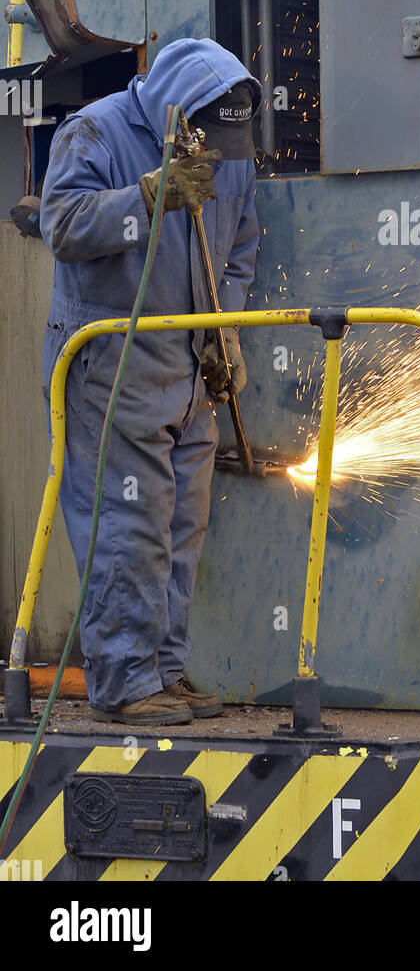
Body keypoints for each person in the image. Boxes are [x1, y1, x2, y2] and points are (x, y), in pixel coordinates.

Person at [39, 38, 261, 725]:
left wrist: (225, 332)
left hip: (192, 367)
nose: (220, 156)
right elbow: (62, 225)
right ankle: (125, 682)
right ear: (176, 114)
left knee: (180, 525)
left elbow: (243, 248)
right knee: (127, 525)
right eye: (210, 140)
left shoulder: (230, 157)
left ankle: (162, 670)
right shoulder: (95, 131)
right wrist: (148, 197)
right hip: (115, 360)